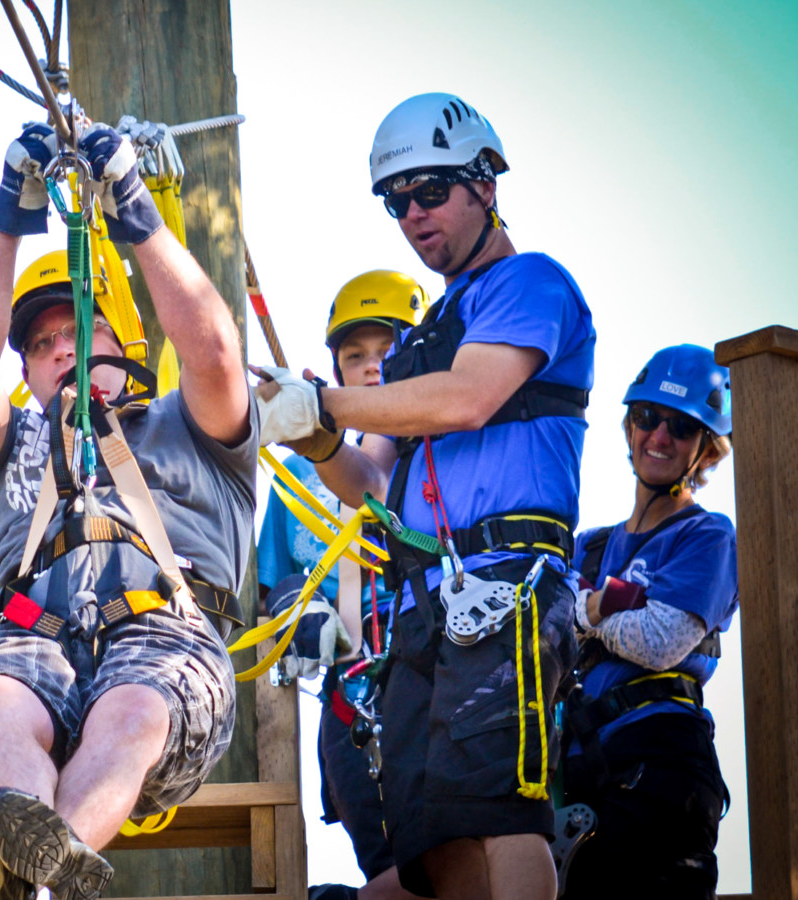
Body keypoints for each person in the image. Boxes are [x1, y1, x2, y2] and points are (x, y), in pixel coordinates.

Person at [274, 93, 596, 898]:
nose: (413, 214)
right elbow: (370, 484)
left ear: (486, 183)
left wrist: (330, 404)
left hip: (506, 585)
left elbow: (469, 399)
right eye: (397, 200)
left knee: (499, 814)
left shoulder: (531, 283)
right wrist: (310, 434)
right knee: (433, 846)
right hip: (427, 606)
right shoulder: (426, 337)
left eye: (430, 191)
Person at [0, 122, 256, 900]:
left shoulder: (195, 427)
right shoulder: (5, 449)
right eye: (42, 344)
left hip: (163, 643)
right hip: (27, 640)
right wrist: (12, 206)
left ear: (130, 340)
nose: (64, 349)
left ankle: (33, 880)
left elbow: (214, 352)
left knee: (134, 708)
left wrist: (134, 208)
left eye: (82, 326)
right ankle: (39, 876)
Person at [257, 271, 428, 900]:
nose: (372, 368)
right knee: (377, 847)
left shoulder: (437, 453)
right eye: (355, 356)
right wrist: (291, 607)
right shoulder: (299, 473)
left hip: (424, 667)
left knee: (439, 847)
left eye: (387, 352)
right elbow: (273, 575)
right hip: (348, 690)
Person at [561, 345, 735, 900]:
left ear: (705, 450)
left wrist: (588, 607)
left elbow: (660, 640)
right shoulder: (590, 546)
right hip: (578, 769)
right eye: (646, 417)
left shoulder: (706, 536)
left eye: (681, 427)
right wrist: (615, 603)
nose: (659, 436)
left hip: (660, 762)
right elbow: (547, 625)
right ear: (628, 425)